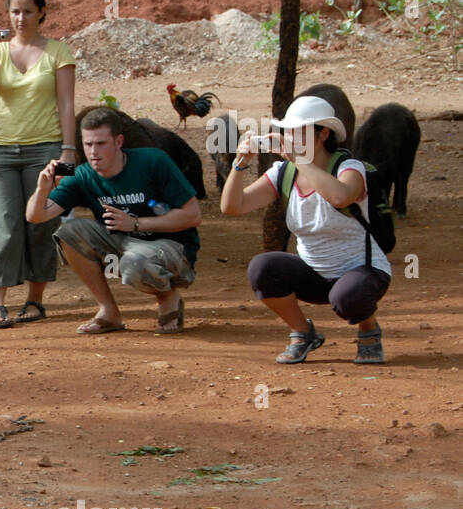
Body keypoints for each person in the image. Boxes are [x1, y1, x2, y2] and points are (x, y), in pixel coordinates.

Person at [220, 96, 390, 364]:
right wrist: (240, 163)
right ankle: (302, 332)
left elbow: (340, 197)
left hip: (362, 271)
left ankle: (368, 328)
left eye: (300, 131)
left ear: (324, 134)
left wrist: (300, 160)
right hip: (313, 273)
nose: (292, 137)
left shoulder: (349, 168)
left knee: (347, 297)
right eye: (289, 131)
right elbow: (233, 207)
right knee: (262, 267)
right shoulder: (284, 172)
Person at [27, 106, 201, 334]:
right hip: (125, 246)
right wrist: (42, 189)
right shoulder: (82, 175)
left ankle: (168, 298)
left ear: (119, 142)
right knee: (68, 233)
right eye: (88, 144)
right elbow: (35, 216)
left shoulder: (153, 161)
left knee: (134, 263)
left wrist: (136, 223)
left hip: (172, 250)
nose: (93, 152)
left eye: (101, 144)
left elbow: (193, 215)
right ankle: (108, 310)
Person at [0, 0, 76, 329]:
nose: (21, 18)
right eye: (15, 11)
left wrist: (68, 149)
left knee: (42, 225)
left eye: (28, 11)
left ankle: (35, 299)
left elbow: (66, 103)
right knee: (4, 225)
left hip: (46, 150)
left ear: (42, 12)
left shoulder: (58, 51)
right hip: (1, 150)